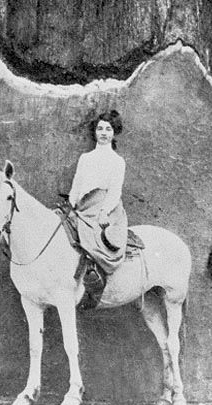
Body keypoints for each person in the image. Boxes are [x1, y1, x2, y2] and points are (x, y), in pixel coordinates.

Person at [67, 110, 129, 308]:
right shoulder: (86, 158)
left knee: (95, 237)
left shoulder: (117, 162)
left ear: (114, 132)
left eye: (108, 129)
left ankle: (93, 283)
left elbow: (115, 191)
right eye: (100, 128)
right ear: (95, 132)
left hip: (105, 208)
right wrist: (71, 203)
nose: (103, 133)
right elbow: (77, 184)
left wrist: (104, 212)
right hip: (83, 205)